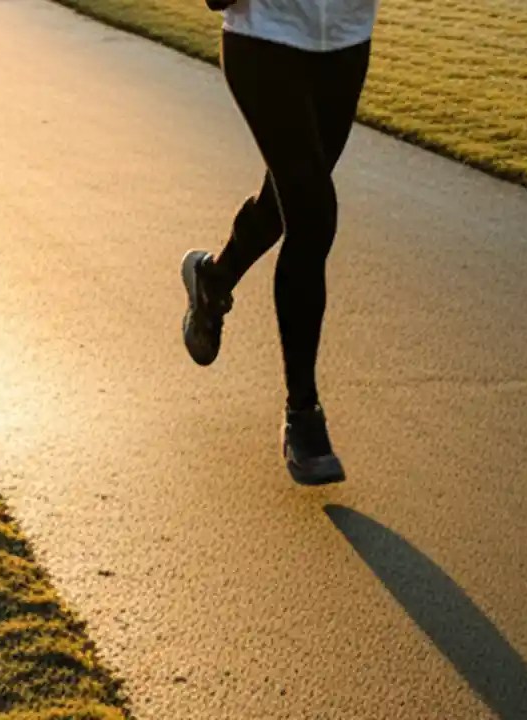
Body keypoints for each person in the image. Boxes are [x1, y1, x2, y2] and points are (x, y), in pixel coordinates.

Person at [182, 0, 381, 485]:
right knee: (313, 214)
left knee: (289, 200)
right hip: (264, 39)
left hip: (346, 42)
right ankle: (303, 416)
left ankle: (215, 277)